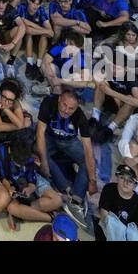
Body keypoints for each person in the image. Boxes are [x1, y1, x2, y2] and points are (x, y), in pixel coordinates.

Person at [36, 89, 97, 224]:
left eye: (71, 108)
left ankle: (76, 199)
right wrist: (44, 163)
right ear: (59, 100)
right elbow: (40, 133)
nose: (66, 111)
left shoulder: (80, 116)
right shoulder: (48, 103)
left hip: (68, 142)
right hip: (49, 138)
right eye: (64, 105)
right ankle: (66, 188)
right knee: (39, 152)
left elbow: (88, 149)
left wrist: (93, 181)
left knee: (87, 161)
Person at [95, 163, 138, 242]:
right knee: (109, 220)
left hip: (126, 236)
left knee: (133, 234)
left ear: (134, 185)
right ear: (117, 178)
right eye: (122, 178)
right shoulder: (109, 188)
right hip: (107, 231)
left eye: (130, 181)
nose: (125, 183)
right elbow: (103, 213)